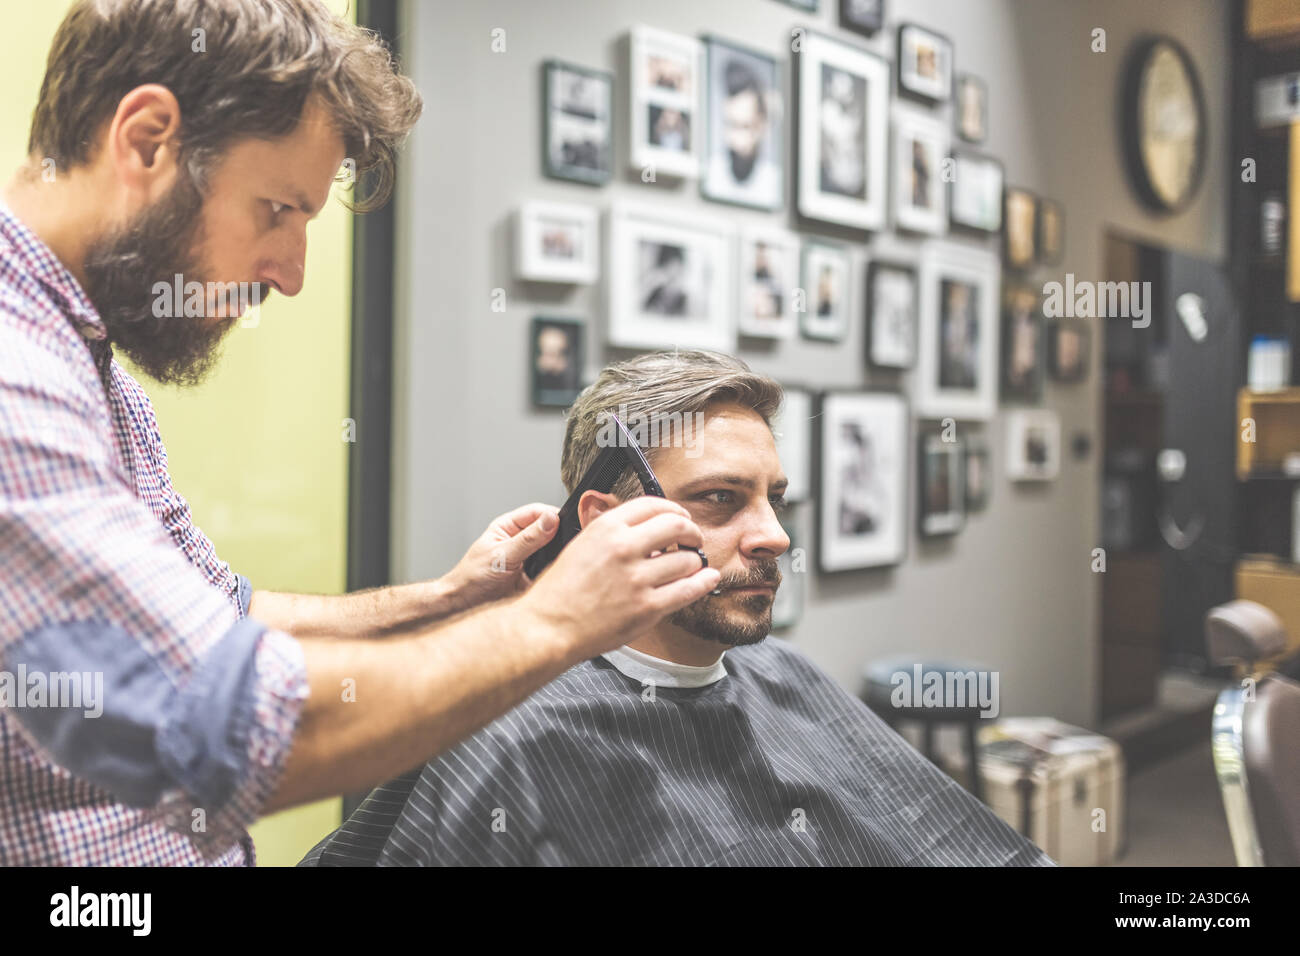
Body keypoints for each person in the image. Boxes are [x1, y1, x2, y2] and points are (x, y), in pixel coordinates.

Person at [0, 0, 720, 866]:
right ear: (148, 139)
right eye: (276, 210)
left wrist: (449, 599)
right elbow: (228, 725)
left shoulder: (91, 367)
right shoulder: (16, 373)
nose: (293, 275)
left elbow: (222, 618)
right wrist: (555, 622)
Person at [300, 351, 1056, 867]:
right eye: (721, 500)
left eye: (775, 501)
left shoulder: (787, 678)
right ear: (600, 521)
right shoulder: (506, 729)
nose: (776, 537)